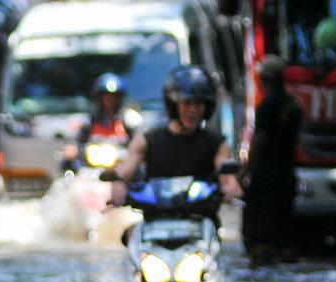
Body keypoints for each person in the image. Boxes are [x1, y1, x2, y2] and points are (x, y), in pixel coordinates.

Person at [110, 65, 242, 240]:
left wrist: (231, 188)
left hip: (200, 229)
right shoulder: (147, 140)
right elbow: (125, 171)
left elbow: (227, 177)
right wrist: (118, 185)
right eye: (187, 103)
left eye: (198, 104)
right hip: (156, 226)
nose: (193, 110)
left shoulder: (216, 143)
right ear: (174, 104)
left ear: (207, 106)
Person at [242, 55, 302, 264]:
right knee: (284, 219)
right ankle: (285, 252)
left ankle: (264, 255)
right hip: (287, 172)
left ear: (263, 79)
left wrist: (247, 170)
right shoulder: (294, 104)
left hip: (266, 174)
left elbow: (260, 140)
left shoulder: (267, 105)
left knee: (259, 221)